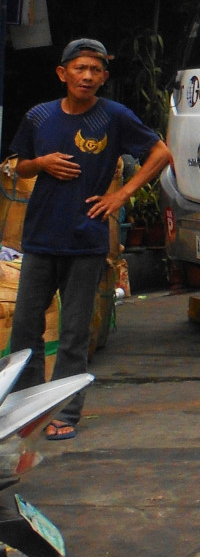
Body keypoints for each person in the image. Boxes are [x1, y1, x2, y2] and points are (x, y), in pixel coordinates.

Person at [2, 39, 172, 439]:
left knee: (75, 333)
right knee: (26, 329)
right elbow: (19, 166)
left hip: (86, 238)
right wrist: (40, 163)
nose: (87, 76)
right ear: (63, 73)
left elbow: (161, 153)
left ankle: (65, 412)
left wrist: (121, 194)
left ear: (104, 78)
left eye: (95, 70)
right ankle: (23, 411)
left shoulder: (113, 116)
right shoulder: (39, 117)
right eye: (80, 68)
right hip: (40, 238)